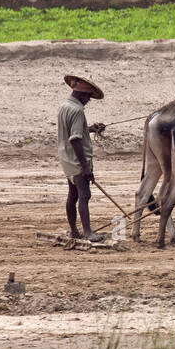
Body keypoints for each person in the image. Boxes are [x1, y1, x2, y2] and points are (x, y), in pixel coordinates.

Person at [58, 74, 108, 241]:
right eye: (88, 97)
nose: (88, 100)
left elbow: (73, 131)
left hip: (67, 160)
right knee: (84, 195)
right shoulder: (78, 111)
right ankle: (88, 233)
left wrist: (91, 129)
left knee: (72, 196)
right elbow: (76, 139)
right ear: (82, 94)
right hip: (77, 161)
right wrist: (85, 167)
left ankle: (74, 230)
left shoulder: (65, 106)